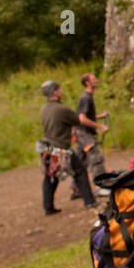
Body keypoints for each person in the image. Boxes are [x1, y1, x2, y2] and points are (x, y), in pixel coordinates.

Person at [39, 79, 95, 215]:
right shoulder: (61, 109)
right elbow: (77, 120)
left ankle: (48, 207)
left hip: (47, 148)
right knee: (80, 171)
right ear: (54, 92)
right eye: (58, 89)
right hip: (60, 149)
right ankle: (90, 201)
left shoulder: (44, 108)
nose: (60, 91)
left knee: (50, 177)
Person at [70, 72, 110, 200]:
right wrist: (100, 126)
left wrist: (99, 117)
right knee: (95, 156)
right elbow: (82, 119)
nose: (96, 80)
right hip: (84, 133)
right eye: (93, 79)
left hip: (80, 132)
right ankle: (101, 186)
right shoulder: (86, 98)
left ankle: (77, 189)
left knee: (80, 162)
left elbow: (84, 116)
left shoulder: (87, 97)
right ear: (87, 83)